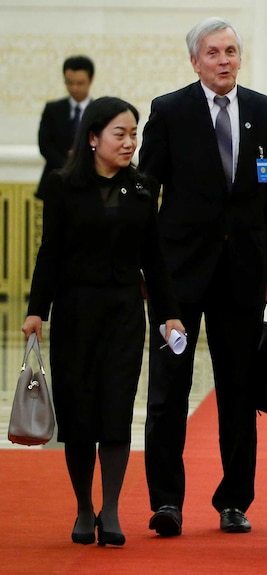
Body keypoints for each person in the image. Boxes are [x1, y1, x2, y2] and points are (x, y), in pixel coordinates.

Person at [139, 16, 267, 536]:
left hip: (244, 276)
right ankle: (166, 501)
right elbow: (145, 193)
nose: (224, 60)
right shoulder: (169, 111)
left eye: (230, 51)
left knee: (239, 391)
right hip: (177, 279)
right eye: (213, 53)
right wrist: (147, 270)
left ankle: (234, 501)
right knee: (169, 390)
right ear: (194, 61)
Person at [22, 96, 184, 547]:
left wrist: (169, 314)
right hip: (75, 313)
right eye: (120, 134)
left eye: (134, 134)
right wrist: (37, 311)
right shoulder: (61, 187)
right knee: (79, 413)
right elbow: (49, 252)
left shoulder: (142, 188)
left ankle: (110, 509)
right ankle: (82, 508)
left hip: (124, 315)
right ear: (93, 137)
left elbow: (155, 258)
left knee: (116, 409)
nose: (130, 142)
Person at [36, 55, 95, 199]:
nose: (74, 88)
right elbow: (45, 145)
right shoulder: (53, 110)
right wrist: (68, 165)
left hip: (91, 181)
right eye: (69, 83)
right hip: (57, 179)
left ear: (90, 80)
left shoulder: (99, 110)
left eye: (80, 83)